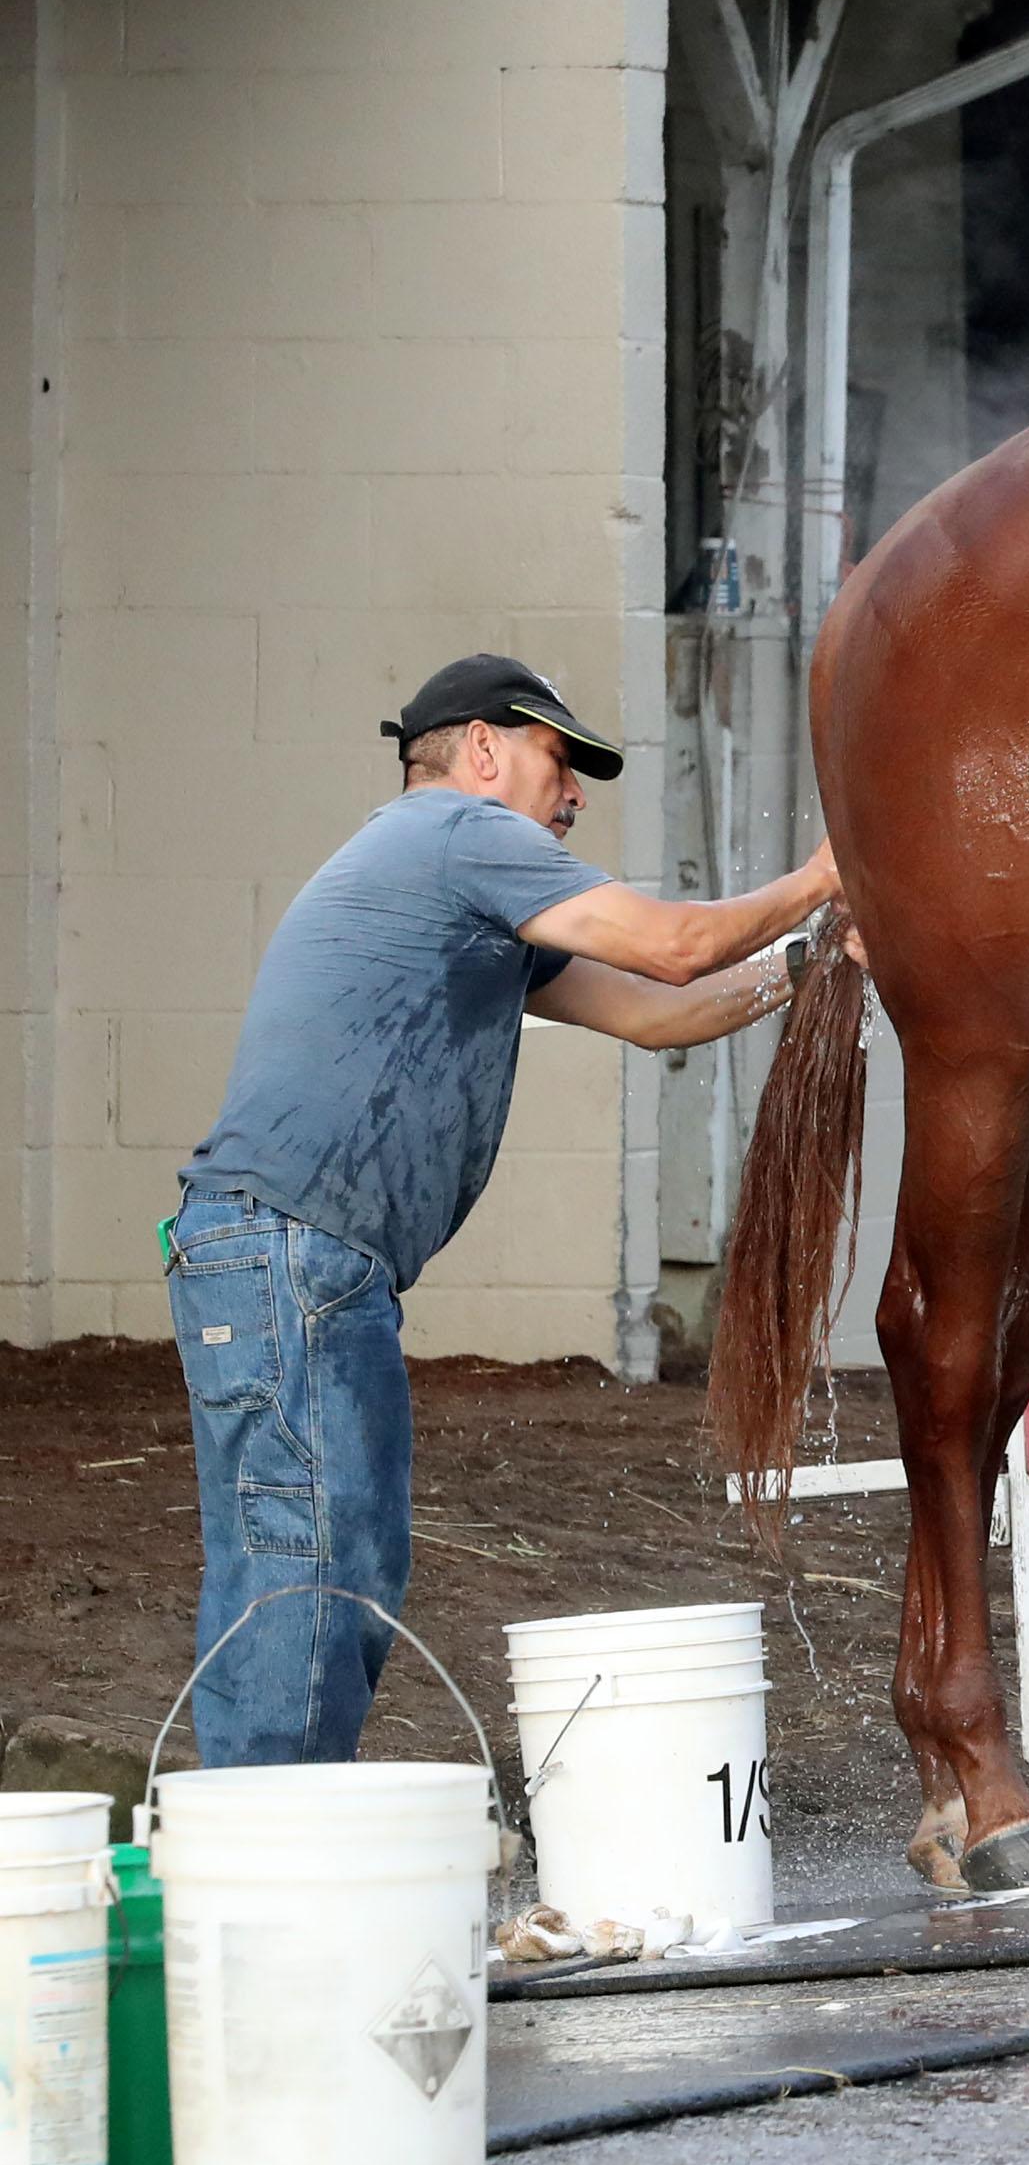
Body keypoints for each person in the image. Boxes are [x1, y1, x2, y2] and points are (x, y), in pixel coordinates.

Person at [166, 654, 842, 1765]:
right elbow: (675, 948)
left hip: (295, 1259)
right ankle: (271, 1837)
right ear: (481, 750)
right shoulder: (457, 834)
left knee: (331, 1560)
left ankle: (272, 1826)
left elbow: (656, 1014)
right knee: (312, 1568)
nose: (574, 796)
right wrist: (825, 874)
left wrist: (812, 961)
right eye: (559, 761)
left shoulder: (459, 890)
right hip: (293, 1255)